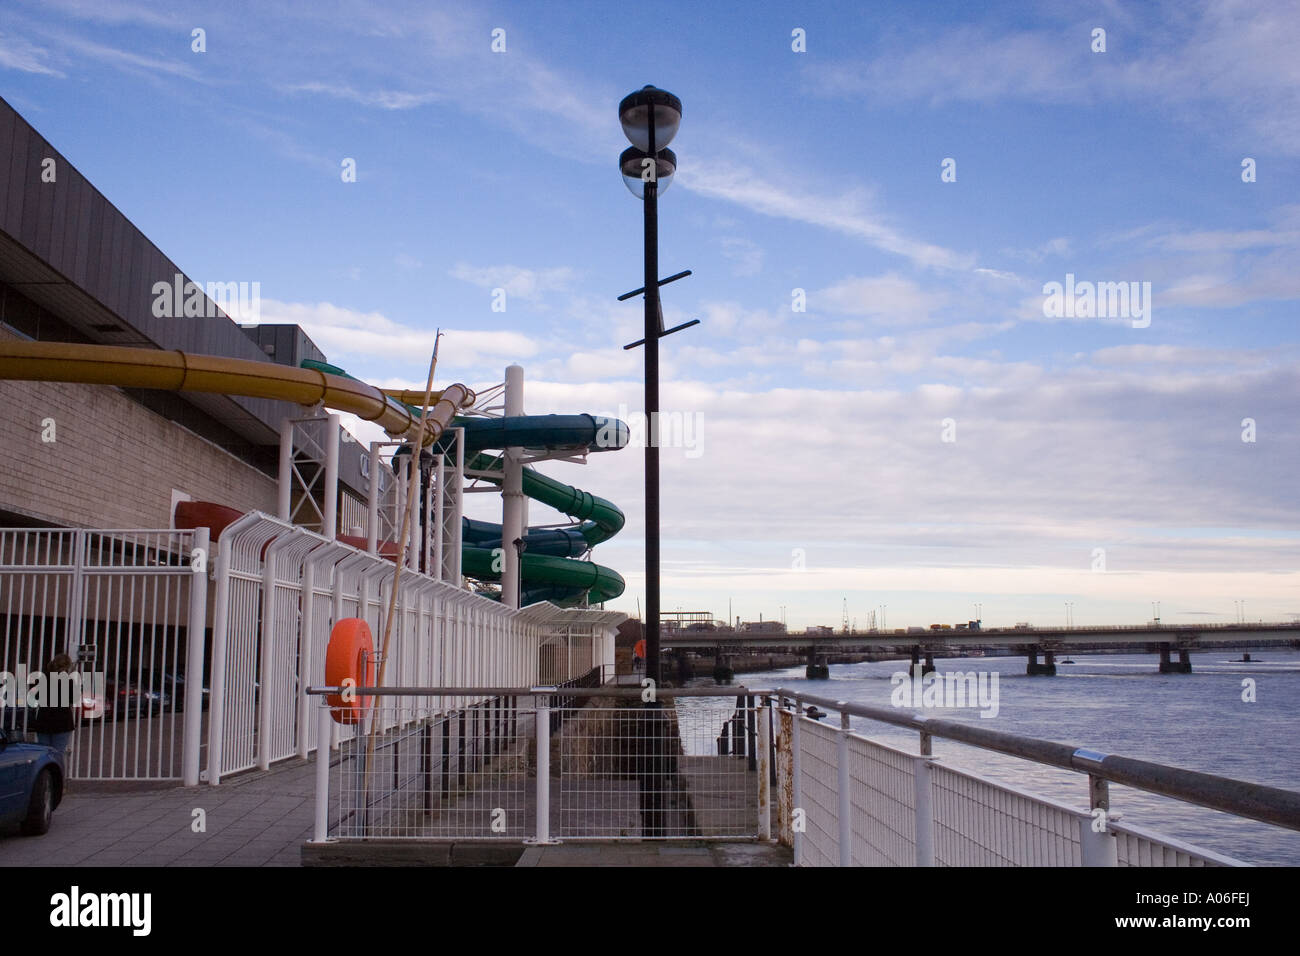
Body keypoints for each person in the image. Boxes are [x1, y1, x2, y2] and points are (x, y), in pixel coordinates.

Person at [31, 652, 77, 759]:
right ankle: (56, 774)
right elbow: (73, 699)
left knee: (43, 754)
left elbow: (36, 696)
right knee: (57, 754)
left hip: (44, 720)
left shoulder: (42, 679)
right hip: (62, 722)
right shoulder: (68, 681)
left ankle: (45, 774)